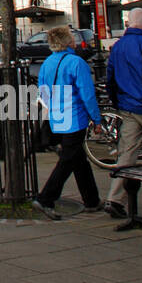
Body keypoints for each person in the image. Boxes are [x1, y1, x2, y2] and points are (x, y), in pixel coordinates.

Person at [33, 25, 102, 219]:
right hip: (75, 117)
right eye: (71, 38)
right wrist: (96, 119)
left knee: (78, 159)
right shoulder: (76, 62)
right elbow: (87, 94)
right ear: (67, 42)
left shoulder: (47, 63)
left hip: (57, 118)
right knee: (68, 160)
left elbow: (42, 94)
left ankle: (92, 200)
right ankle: (46, 198)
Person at [103, 7, 142, 218]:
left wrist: (119, 102)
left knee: (127, 154)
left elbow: (110, 79)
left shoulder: (118, 47)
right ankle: (115, 201)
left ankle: (114, 199)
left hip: (127, 107)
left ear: (128, 22)